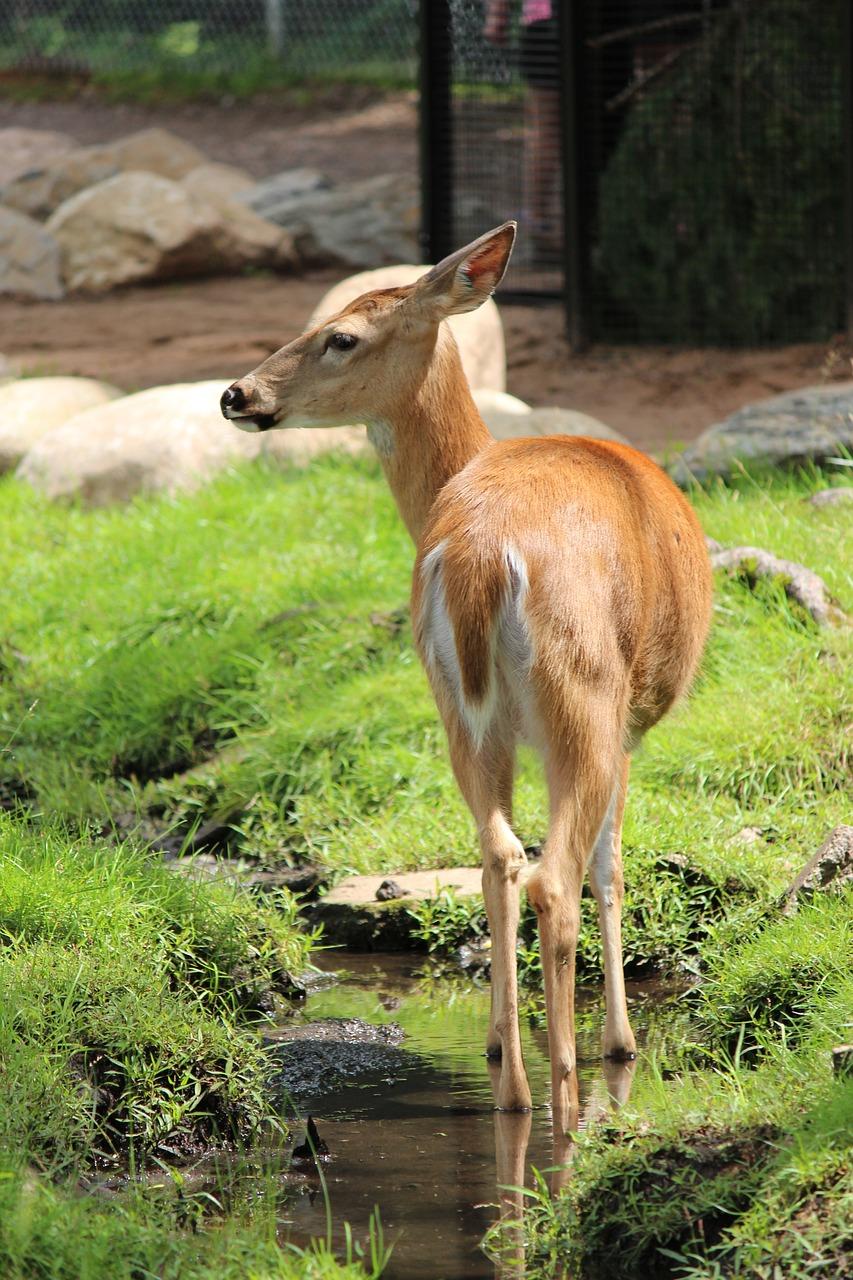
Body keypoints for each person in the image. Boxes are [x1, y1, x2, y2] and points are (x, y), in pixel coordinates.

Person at [484, 0, 561, 263]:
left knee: (546, 127)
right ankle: (540, 223)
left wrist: (497, 14)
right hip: (557, 23)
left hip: (546, 22)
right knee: (548, 127)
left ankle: (540, 221)